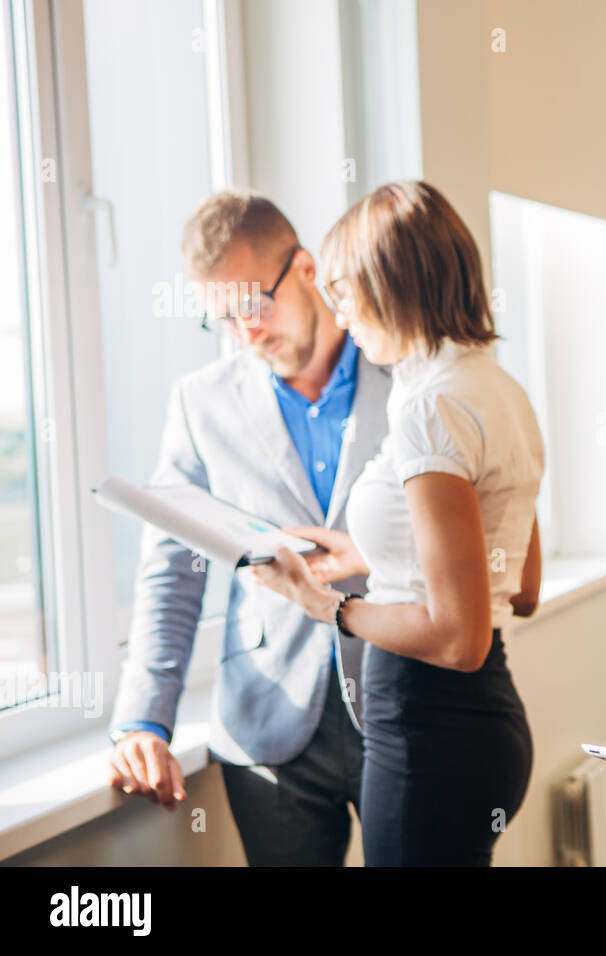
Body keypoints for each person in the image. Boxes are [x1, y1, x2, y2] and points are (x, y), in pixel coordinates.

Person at [249, 180, 543, 866]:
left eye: (346, 293)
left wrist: (327, 606)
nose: (341, 317)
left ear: (392, 284)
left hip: (428, 732)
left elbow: (457, 636)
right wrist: (364, 555)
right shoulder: (497, 388)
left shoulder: (427, 409)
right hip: (483, 729)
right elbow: (517, 587)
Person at [108, 190, 391, 865]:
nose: (246, 334)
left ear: (306, 268)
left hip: (400, 700)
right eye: (223, 319)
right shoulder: (199, 403)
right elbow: (171, 569)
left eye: (253, 307)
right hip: (268, 726)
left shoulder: (400, 368)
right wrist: (145, 718)